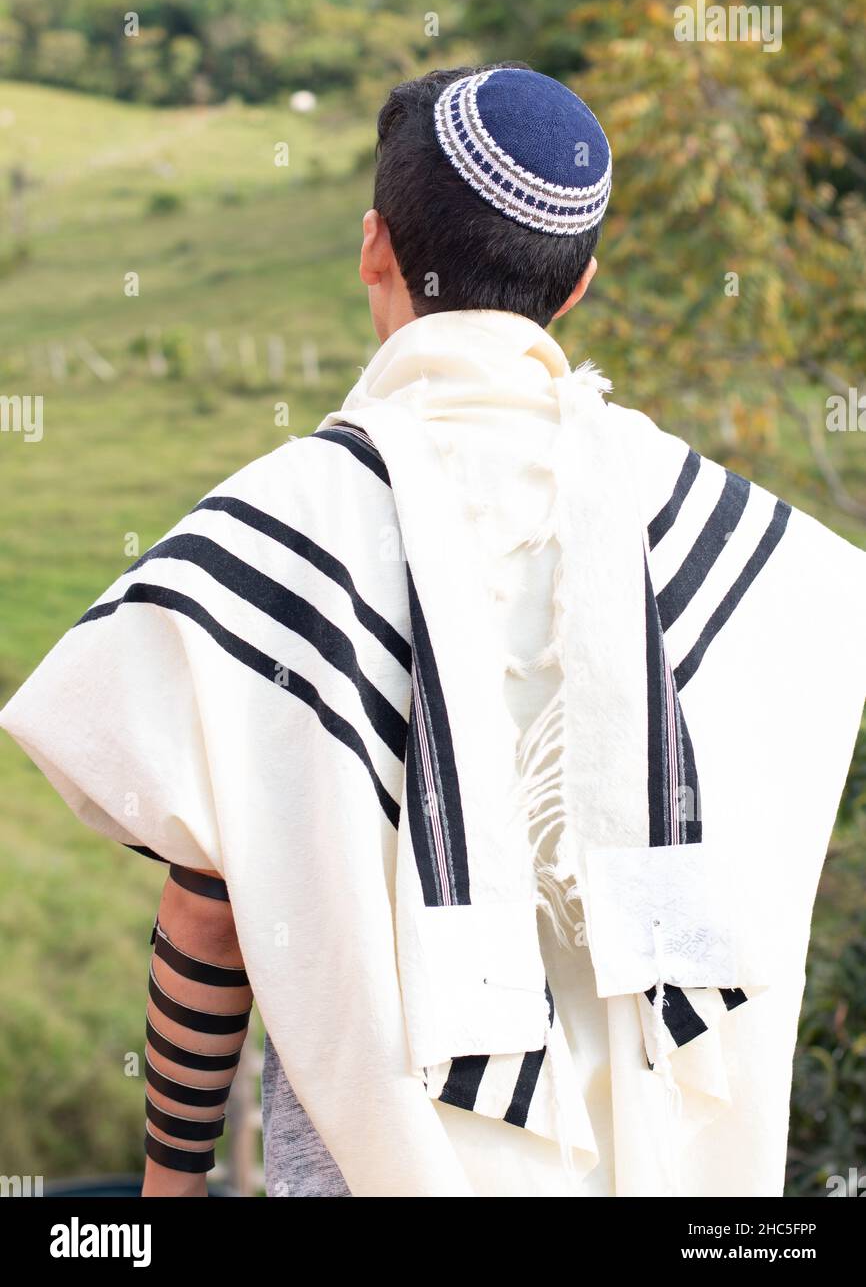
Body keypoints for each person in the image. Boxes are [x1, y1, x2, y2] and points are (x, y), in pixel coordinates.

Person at [2, 63, 864, 1199]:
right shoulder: (761, 556)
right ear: (579, 284)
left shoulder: (274, 539)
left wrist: (170, 1189)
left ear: (373, 246)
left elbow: (206, 930)